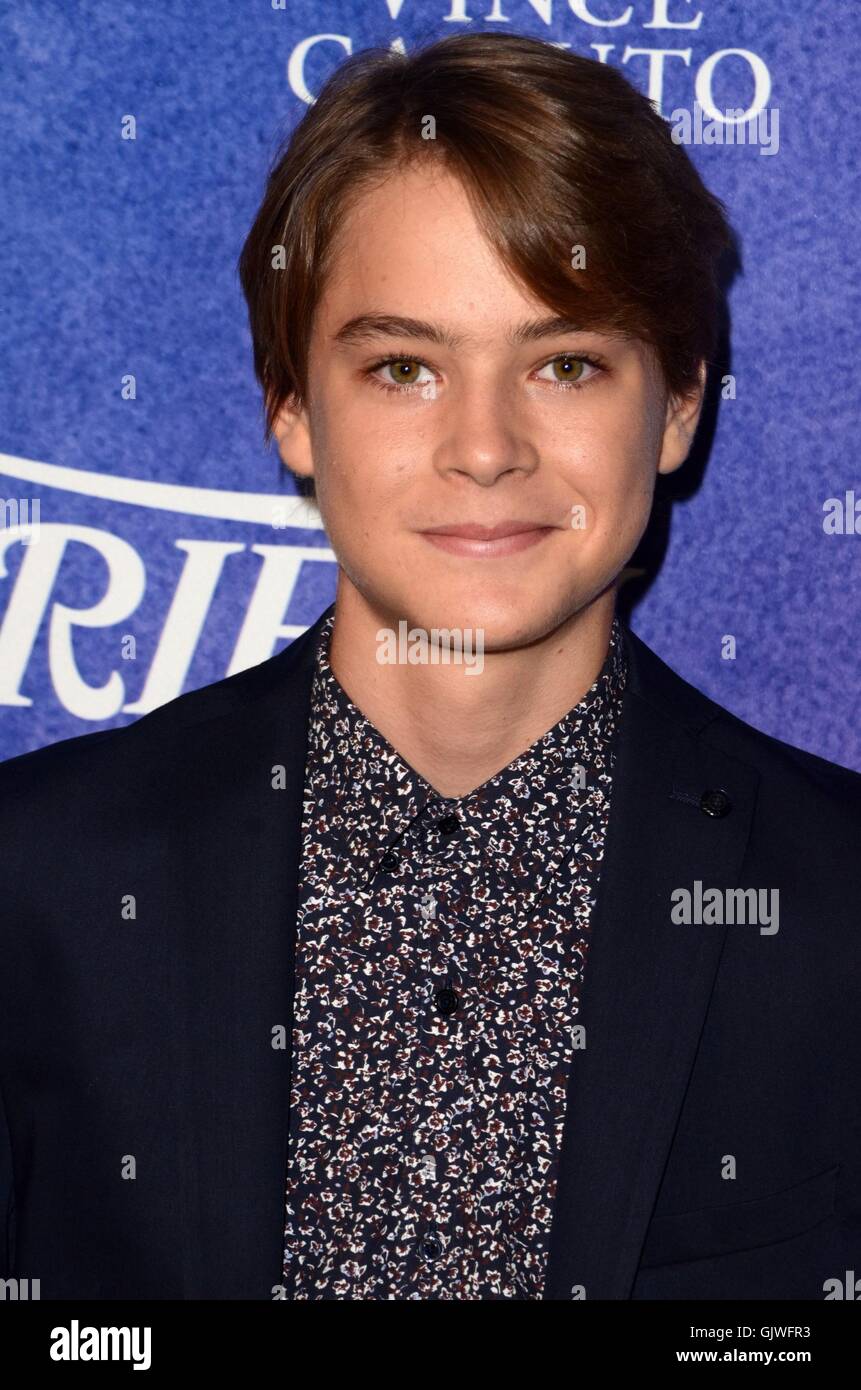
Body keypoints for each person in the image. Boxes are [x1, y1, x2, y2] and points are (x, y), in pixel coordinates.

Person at [1, 31, 858, 1302]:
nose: (485, 446)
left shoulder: (839, 907)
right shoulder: (41, 885)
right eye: (404, 367)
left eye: (565, 363)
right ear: (291, 404)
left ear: (678, 403)